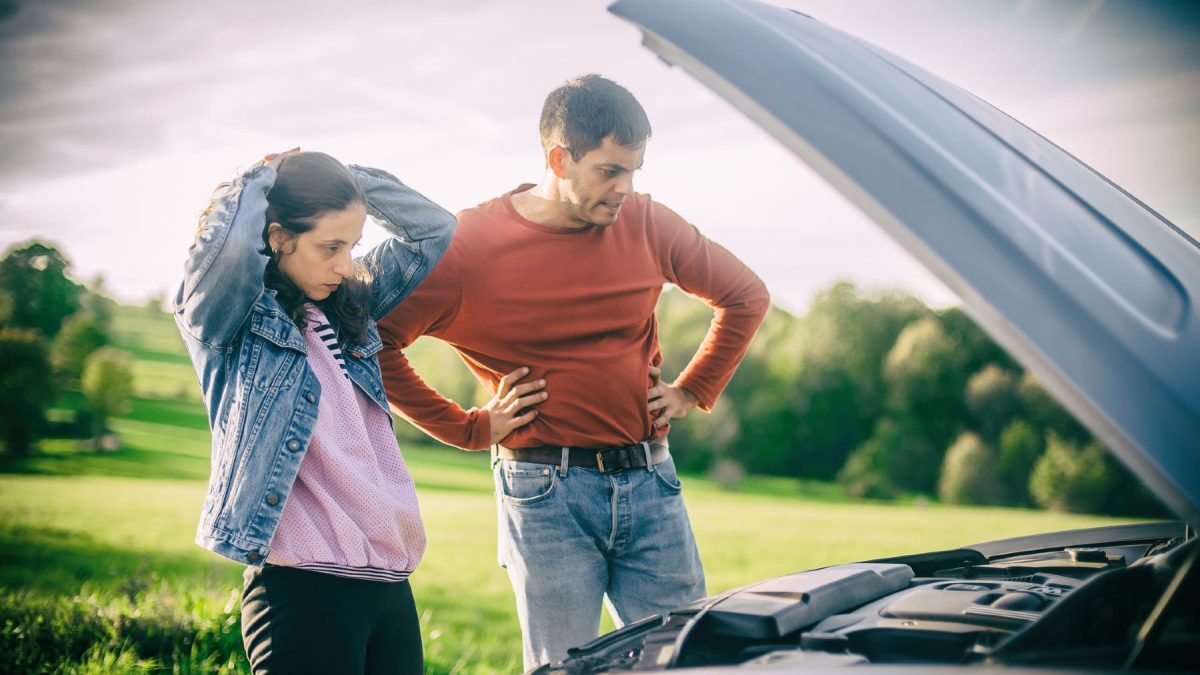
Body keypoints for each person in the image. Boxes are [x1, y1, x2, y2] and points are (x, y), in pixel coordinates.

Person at [377, 74, 771, 668]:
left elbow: (746, 296)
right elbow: (377, 342)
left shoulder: (647, 223)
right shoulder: (469, 247)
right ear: (559, 158)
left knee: (687, 662)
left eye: (634, 171)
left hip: (650, 482)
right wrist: (469, 428)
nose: (624, 189)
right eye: (609, 171)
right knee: (564, 668)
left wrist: (694, 389)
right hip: (543, 494)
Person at [173, 150, 455, 674]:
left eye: (352, 246)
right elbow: (226, 248)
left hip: (388, 585)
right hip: (304, 588)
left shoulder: (349, 310)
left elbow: (432, 229)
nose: (345, 264)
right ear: (278, 236)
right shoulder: (229, 319)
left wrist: (350, 181)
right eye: (331, 247)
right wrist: (260, 176)